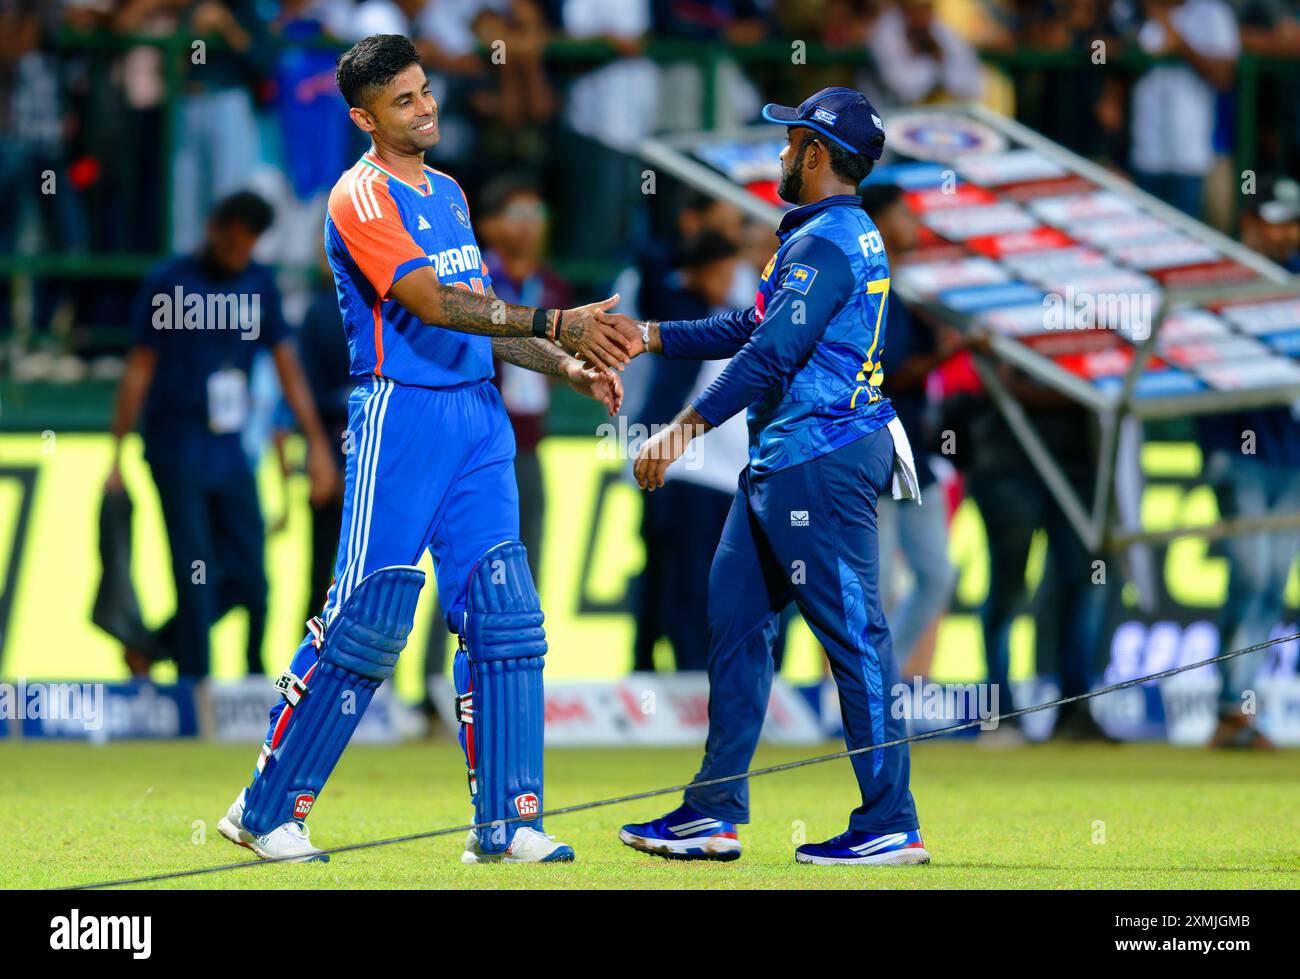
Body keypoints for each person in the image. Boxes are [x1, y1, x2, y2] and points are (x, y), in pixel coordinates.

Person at [215, 34, 633, 865]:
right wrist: (556, 319)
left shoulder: (447, 192)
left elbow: (479, 310)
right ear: (364, 117)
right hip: (400, 415)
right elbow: (433, 305)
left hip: (480, 420)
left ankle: (507, 822)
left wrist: (565, 365)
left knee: (505, 615)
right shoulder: (358, 197)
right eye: (403, 100)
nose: (426, 106)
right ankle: (265, 811)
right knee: (366, 616)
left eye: (426, 90)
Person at [608, 88, 930, 866]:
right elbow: (751, 329)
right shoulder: (824, 235)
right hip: (784, 462)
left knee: (853, 633)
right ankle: (714, 810)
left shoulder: (826, 242)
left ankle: (890, 820)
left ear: (817, 156)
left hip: (818, 461)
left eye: (790, 144)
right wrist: (646, 335)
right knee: (735, 621)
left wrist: (681, 431)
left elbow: (770, 356)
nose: (781, 154)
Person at [106, 191, 339, 680]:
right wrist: (117, 453)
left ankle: (237, 673)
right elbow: (139, 369)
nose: (240, 253)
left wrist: (314, 441)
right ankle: (197, 687)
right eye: (233, 242)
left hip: (232, 449)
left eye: (248, 244)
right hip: (177, 445)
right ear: (214, 230)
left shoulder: (259, 283)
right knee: (195, 572)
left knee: (250, 578)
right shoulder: (169, 282)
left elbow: (287, 366)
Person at [861, 183, 964, 681]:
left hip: (914, 455)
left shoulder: (905, 289)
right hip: (871, 451)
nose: (912, 222)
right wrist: (954, 349)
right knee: (874, 584)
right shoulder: (866, 286)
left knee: (938, 575)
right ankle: (858, 689)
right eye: (902, 213)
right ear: (879, 222)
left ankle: (886, 678)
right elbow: (888, 373)